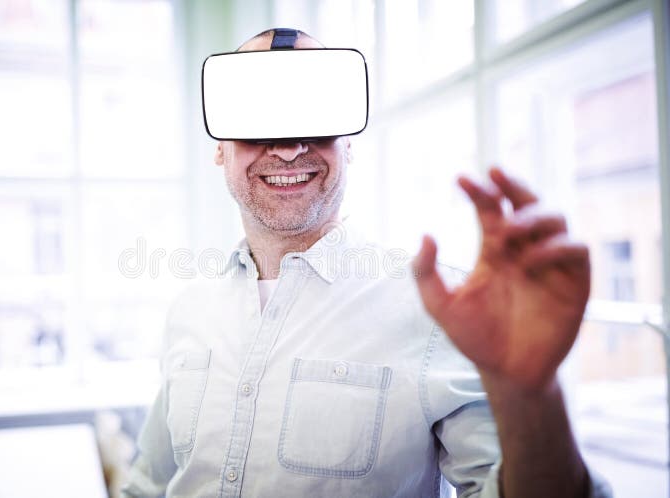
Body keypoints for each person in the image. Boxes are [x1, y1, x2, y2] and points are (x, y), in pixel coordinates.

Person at [121, 29, 611, 498]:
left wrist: (532, 396)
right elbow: (146, 487)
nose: (289, 148)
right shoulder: (189, 313)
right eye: (257, 118)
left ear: (349, 143)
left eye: (316, 116)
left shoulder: (440, 314)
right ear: (220, 149)